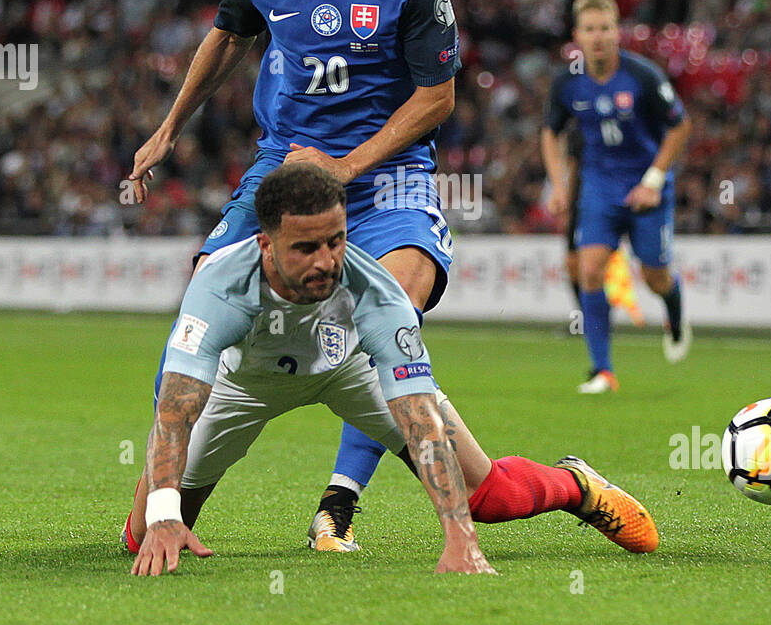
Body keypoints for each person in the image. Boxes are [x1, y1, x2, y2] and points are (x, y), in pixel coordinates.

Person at [127, 0, 460, 552]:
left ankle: (340, 500)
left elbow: (437, 97)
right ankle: (165, 508)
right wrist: (169, 129)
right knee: (201, 299)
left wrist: (345, 167)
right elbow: (228, 37)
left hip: (386, 179)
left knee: (391, 305)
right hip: (282, 169)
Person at [127, 164, 659, 576]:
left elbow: (417, 414)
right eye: (306, 247)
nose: (325, 261)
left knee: (491, 499)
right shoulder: (220, 284)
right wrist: (164, 516)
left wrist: (458, 535)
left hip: (350, 369)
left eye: (335, 242)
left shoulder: (376, 291)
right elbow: (176, 409)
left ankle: (575, 486)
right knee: (141, 533)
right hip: (244, 388)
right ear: (266, 244)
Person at [541, 0, 693, 394]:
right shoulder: (568, 83)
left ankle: (675, 314)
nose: (598, 37)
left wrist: (654, 180)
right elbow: (549, 133)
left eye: (605, 29)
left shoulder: (643, 76)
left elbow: (680, 126)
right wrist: (558, 186)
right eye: (590, 30)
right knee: (590, 269)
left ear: (617, 32)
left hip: (646, 189)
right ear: (577, 35)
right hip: (598, 188)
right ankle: (602, 370)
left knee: (654, 275)